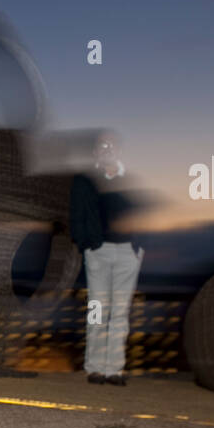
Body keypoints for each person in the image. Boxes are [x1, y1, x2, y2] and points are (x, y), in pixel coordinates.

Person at [69, 131, 144, 386]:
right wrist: (87, 245)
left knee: (120, 313)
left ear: (119, 151)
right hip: (98, 251)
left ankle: (115, 370)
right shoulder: (85, 180)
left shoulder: (132, 180)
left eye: (112, 145)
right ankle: (95, 367)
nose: (107, 149)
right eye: (102, 145)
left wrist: (140, 246)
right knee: (97, 310)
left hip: (127, 253)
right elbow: (76, 215)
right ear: (95, 152)